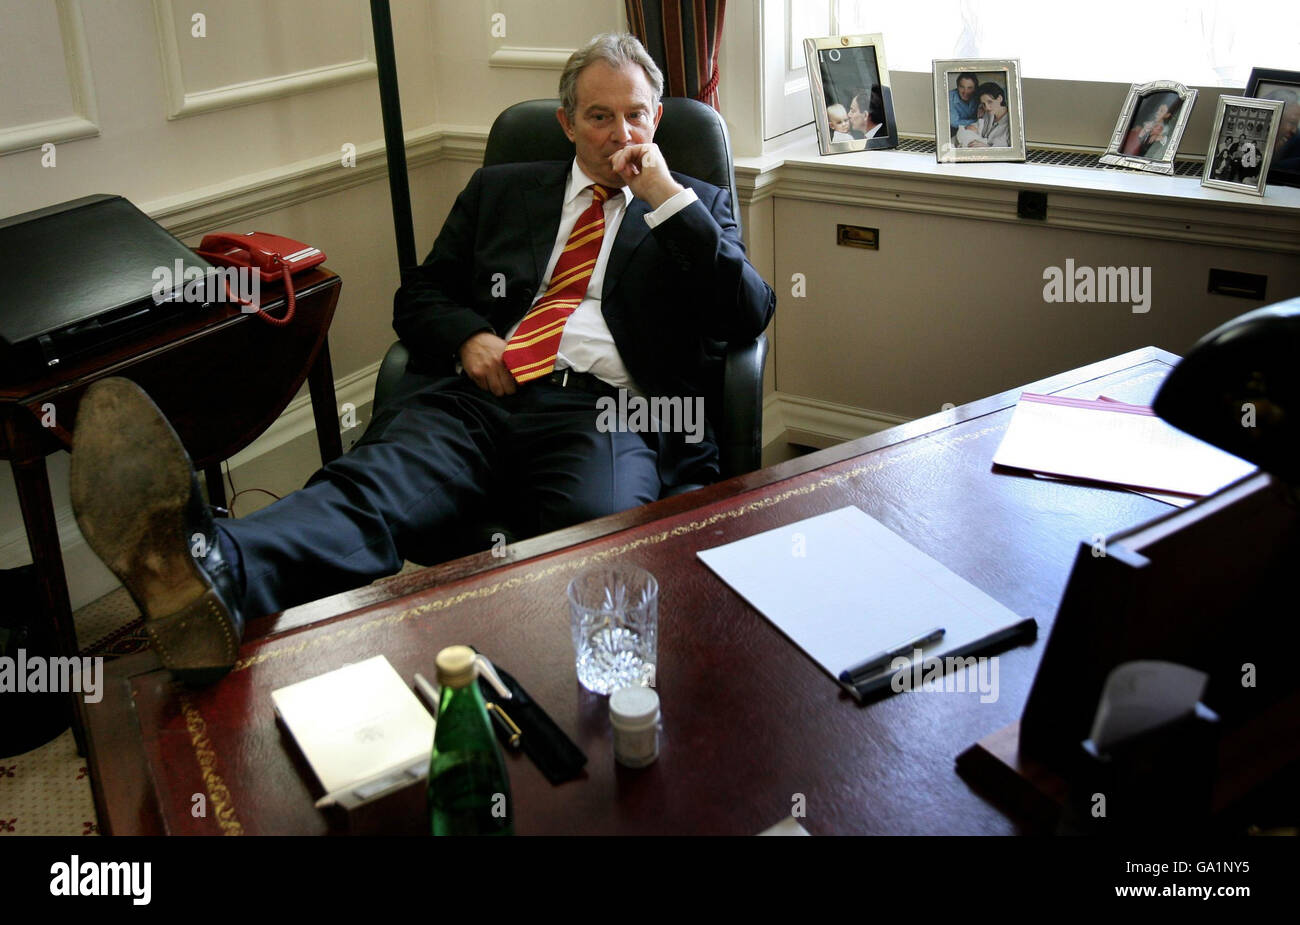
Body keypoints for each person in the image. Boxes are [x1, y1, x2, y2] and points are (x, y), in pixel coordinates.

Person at [68, 32, 777, 683]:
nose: (622, 134)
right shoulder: (502, 190)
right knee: (365, 490)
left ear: (658, 120)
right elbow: (421, 295)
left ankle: (548, 696)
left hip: (603, 413)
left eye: (637, 116)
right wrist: (469, 337)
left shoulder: (693, 205)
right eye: (599, 117)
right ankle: (212, 569)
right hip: (478, 397)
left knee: (594, 549)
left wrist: (663, 196)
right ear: (566, 123)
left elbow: (746, 313)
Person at [957, 82, 1010, 148]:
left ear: (999, 98)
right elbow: (975, 127)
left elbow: (1013, 154)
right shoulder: (988, 114)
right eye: (983, 104)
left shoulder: (1011, 124)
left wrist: (986, 147)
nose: (987, 107)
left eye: (990, 102)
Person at [948, 72, 979, 138]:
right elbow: (954, 122)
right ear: (957, 86)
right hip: (955, 130)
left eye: (969, 88)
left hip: (976, 128)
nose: (965, 92)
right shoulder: (950, 96)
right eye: (962, 87)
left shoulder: (979, 95)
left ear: (975, 88)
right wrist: (977, 121)